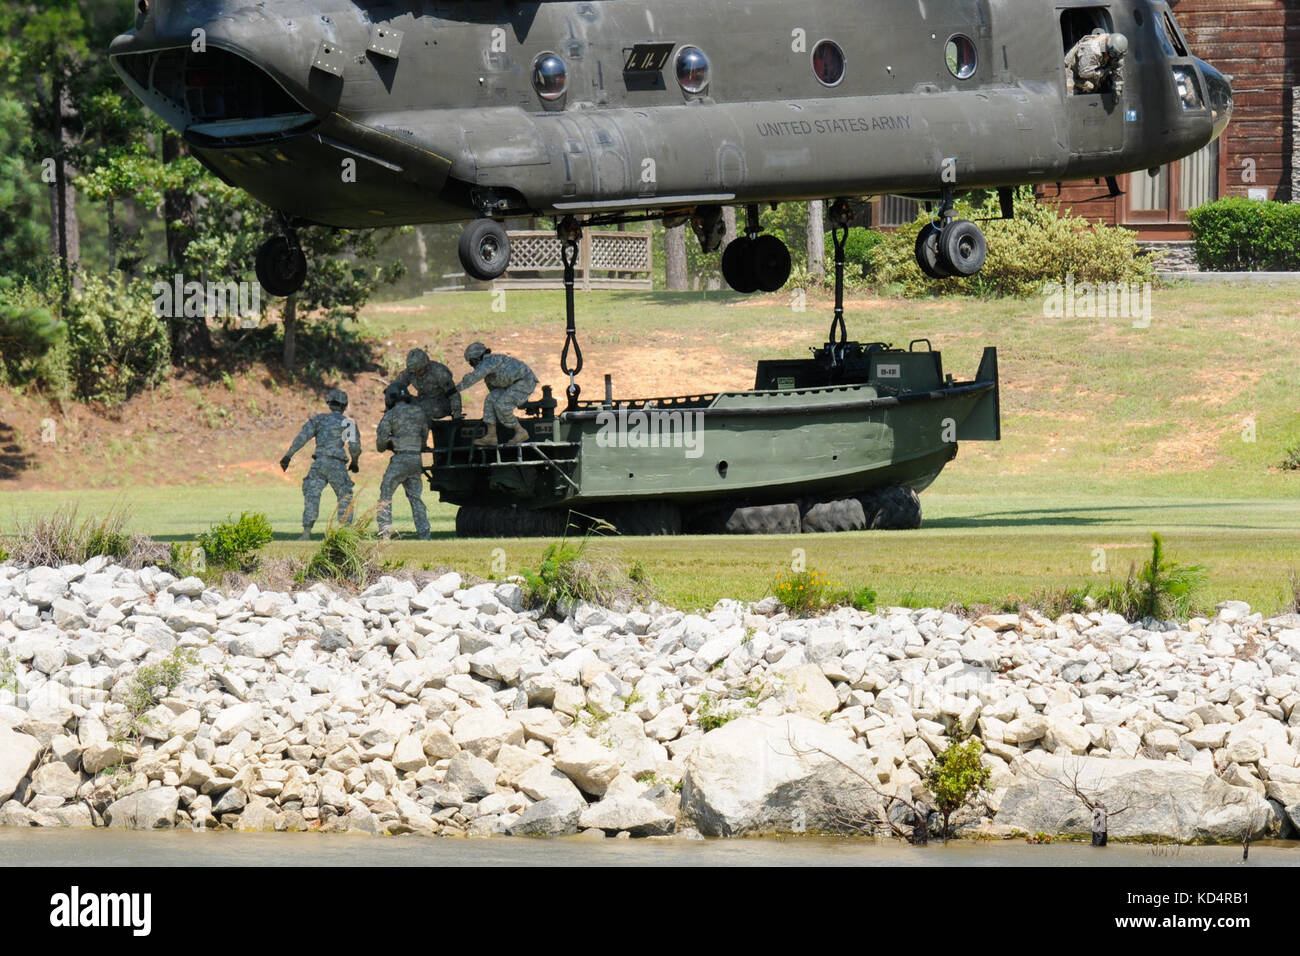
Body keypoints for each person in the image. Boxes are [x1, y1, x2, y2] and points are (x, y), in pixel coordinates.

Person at [280, 388, 361, 540]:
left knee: (312, 495)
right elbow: (354, 447)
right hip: (337, 464)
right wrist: (355, 462)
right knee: (344, 496)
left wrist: (288, 456)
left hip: (319, 463)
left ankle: (306, 533)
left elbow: (302, 438)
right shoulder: (348, 423)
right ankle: (346, 533)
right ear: (344, 405)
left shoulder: (319, 420)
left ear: (329, 403)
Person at [456, 342, 538, 446]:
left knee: (502, 405)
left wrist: (454, 390)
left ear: (476, 359)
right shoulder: (488, 373)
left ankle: (520, 431)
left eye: (471, 363)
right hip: (512, 385)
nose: (472, 366)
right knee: (491, 398)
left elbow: (473, 377)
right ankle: (491, 436)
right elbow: (494, 392)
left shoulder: (489, 361)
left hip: (524, 381)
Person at [375, 389, 431, 539]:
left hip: (400, 459)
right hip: (416, 459)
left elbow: (380, 444)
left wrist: (389, 443)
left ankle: (384, 533)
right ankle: (425, 534)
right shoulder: (419, 413)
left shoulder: (391, 414)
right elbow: (424, 434)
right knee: (416, 498)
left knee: (385, 495)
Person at [388, 348, 461, 425]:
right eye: (414, 372)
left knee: (416, 411)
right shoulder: (411, 371)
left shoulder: (440, 373)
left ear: (425, 366)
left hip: (442, 405)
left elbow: (453, 394)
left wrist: (457, 415)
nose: (417, 374)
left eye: (419, 371)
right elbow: (396, 385)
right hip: (423, 401)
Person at [1065, 30, 1128, 96]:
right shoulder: (1092, 49)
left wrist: (1118, 87)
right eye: (1110, 55)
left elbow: (1117, 68)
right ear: (1107, 50)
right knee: (1071, 95)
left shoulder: (1117, 52)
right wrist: (1102, 72)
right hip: (1073, 70)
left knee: (1093, 88)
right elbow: (1084, 72)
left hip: (1093, 69)